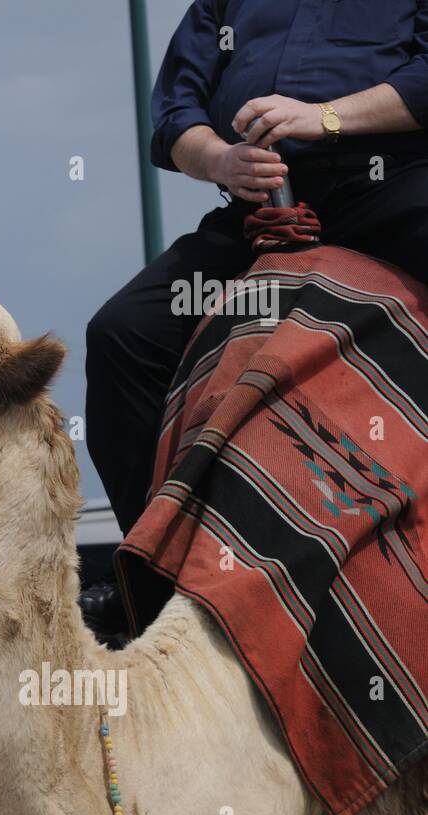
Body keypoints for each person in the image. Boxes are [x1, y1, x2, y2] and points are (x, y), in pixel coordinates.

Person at [81, 1, 428, 629]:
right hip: (258, 210)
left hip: (392, 186)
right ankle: (154, 582)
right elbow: (173, 116)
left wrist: (324, 118)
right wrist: (220, 161)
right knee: (121, 333)